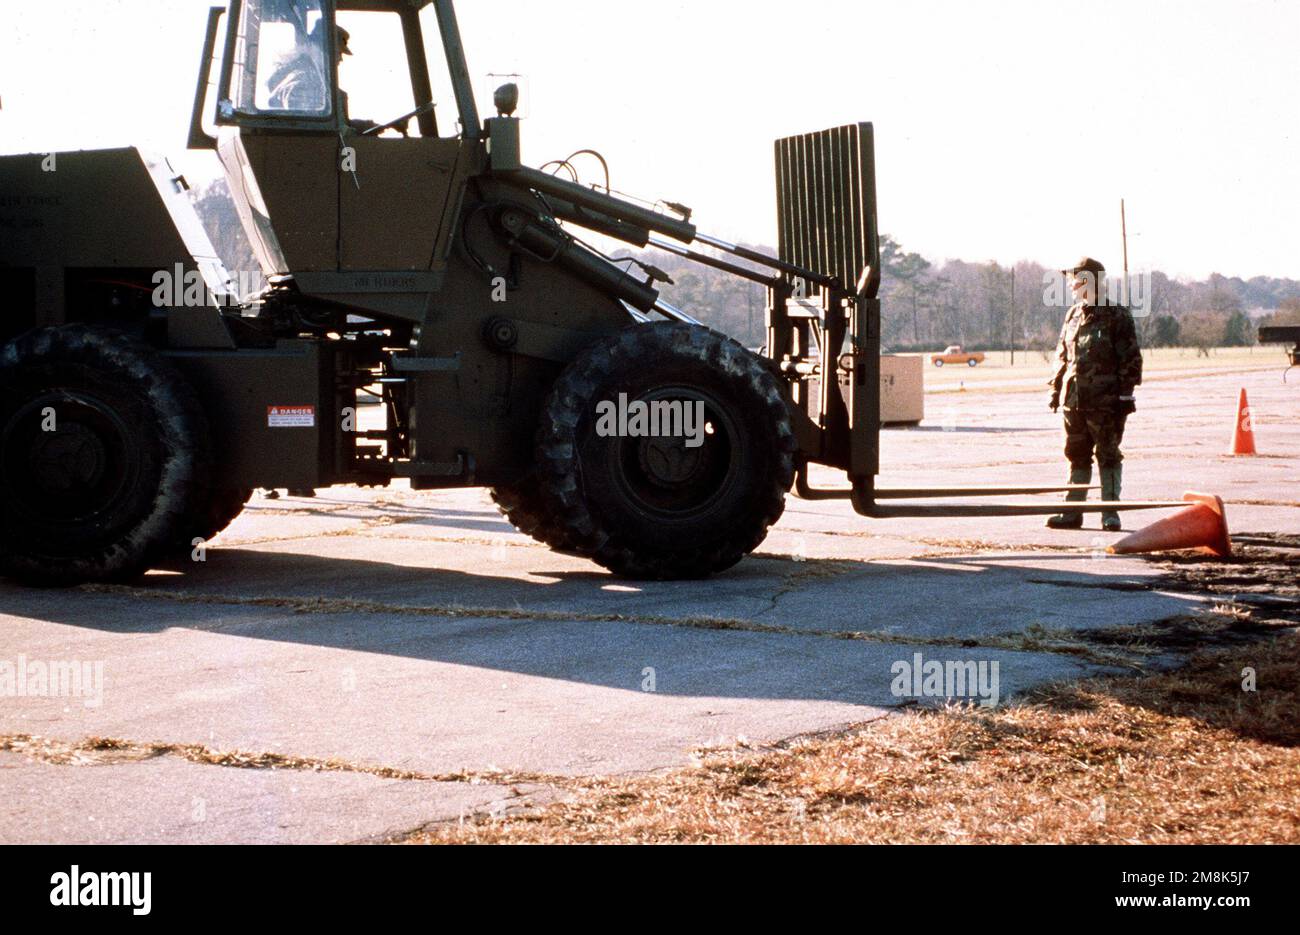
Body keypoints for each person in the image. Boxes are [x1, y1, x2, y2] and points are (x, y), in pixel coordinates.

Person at [1046, 256, 1142, 531]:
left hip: (1106, 402)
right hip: (1074, 400)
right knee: (1076, 453)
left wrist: (1125, 395)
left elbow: (1131, 358)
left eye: (1075, 280)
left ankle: (1109, 513)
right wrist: (1055, 387)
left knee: (1108, 455)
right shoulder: (1073, 314)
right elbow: (1062, 354)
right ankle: (1072, 512)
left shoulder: (1117, 315)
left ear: (1089, 282)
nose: (1072, 285)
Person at [266, 23, 377, 133]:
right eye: (337, 53)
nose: (340, 59)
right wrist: (352, 133)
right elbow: (313, 131)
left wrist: (367, 126)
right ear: (322, 49)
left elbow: (332, 124)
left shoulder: (316, 81)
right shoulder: (304, 85)